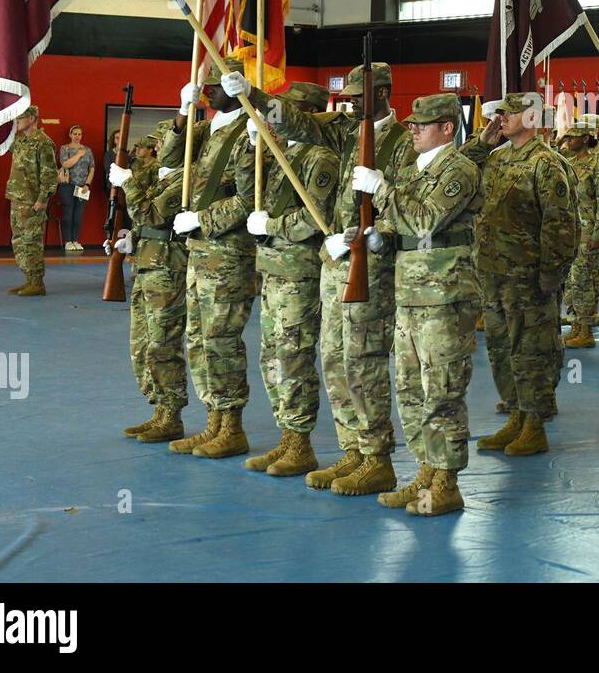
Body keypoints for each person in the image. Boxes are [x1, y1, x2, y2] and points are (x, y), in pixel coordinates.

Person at [223, 62, 415, 497]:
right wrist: (251, 95)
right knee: (334, 361)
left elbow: (405, 206)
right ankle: (353, 450)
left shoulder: (403, 144)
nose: (351, 103)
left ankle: (377, 457)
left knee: (363, 365)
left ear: (383, 92)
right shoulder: (346, 132)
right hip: (335, 267)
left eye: (359, 96)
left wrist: (373, 236)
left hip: (372, 269)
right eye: (348, 96)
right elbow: (298, 121)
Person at [361, 92, 481, 516]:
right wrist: (380, 237)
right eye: (410, 123)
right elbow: (403, 225)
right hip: (409, 293)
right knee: (411, 389)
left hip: (445, 295)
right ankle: (425, 475)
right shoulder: (414, 171)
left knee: (442, 390)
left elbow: (428, 220)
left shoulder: (460, 169)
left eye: (421, 124)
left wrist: (382, 190)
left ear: (448, 128)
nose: (411, 129)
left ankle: (446, 482)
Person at [462, 92, 578, 457]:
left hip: (528, 277)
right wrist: (481, 145)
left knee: (531, 351)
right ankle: (515, 414)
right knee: (499, 350)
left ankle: (534, 424)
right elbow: (460, 173)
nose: (501, 119)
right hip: (493, 274)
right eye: (501, 114)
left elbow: (561, 224)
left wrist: (550, 274)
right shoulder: (496, 159)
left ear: (530, 119)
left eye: (510, 114)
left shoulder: (546, 164)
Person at [241, 82, 339, 477]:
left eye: (286, 110)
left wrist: (273, 225)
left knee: (293, 356)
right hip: (271, 269)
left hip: (298, 271)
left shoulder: (322, 158)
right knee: (270, 358)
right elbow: (250, 191)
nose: (275, 118)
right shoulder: (277, 151)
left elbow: (315, 218)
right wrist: (252, 148)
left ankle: (300, 443)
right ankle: (286, 434)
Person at [159, 60, 256, 459]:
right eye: (206, 84)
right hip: (199, 252)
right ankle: (213, 419)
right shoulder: (207, 128)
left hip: (228, 251)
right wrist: (183, 114)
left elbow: (249, 200)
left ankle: (231, 425)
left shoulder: (247, 132)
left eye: (216, 84)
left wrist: (202, 218)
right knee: (198, 338)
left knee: (222, 338)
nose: (208, 91)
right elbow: (169, 156)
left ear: (236, 87)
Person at [113, 128, 189, 443]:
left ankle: (171, 415)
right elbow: (142, 221)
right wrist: (130, 238)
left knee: (162, 346)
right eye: (158, 142)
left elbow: (150, 212)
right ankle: (158, 409)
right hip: (146, 265)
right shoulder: (159, 174)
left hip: (168, 269)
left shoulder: (184, 177)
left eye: (162, 142)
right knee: (141, 346)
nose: (158, 146)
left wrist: (126, 181)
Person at [560, 114, 599, 350]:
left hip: (588, 229)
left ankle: (586, 330)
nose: (569, 141)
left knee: (583, 280)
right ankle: (576, 324)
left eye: (574, 137)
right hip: (571, 228)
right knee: (571, 280)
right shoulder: (569, 161)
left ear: (586, 138)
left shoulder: (596, 164)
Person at [6, 104, 57, 296]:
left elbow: (49, 174)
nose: (17, 120)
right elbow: (0, 143)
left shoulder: (43, 143)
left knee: (32, 241)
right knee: (19, 241)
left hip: (32, 200)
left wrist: (43, 199)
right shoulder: (20, 141)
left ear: (33, 118)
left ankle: (37, 282)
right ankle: (28, 279)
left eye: (21, 117)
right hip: (17, 198)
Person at [57, 124, 95, 251]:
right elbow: (65, 164)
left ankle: (75, 240)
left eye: (79, 134)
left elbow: (92, 168)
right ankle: (68, 241)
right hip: (67, 185)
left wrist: (87, 184)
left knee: (78, 214)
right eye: (75, 134)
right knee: (68, 213)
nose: (77, 136)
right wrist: (78, 155)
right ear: (70, 135)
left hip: (82, 186)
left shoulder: (88, 150)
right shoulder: (65, 148)